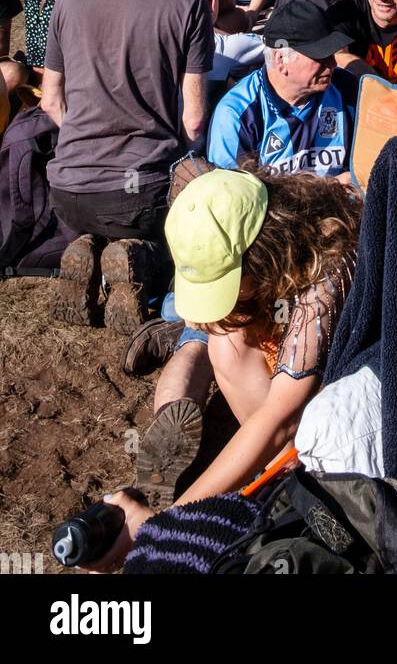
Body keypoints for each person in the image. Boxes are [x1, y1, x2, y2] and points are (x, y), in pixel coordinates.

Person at [100, 167, 358, 541]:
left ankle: (309, 480)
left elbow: (281, 416)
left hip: (358, 397)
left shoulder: (330, 266)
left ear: (263, 253)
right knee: (225, 341)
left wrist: (166, 525)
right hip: (302, 374)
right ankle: (282, 476)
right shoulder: (272, 261)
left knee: (242, 358)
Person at [42, 0, 213, 330]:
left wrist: (85, 140)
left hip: (68, 187)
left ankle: (90, 249)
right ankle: (138, 259)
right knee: (172, 239)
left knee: (108, 214)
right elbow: (193, 120)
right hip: (138, 192)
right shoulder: (190, 4)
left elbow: (50, 101)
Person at [207, 0, 357, 176]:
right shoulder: (237, 115)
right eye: (321, 56)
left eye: (332, 53)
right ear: (281, 60)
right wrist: (332, 187)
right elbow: (233, 196)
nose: (332, 63)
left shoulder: (345, 87)